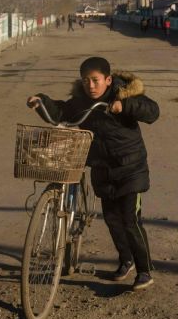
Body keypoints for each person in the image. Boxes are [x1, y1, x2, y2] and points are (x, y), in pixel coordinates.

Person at [26, 57, 160, 291]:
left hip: (130, 168)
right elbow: (61, 112)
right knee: (112, 220)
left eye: (96, 80)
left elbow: (152, 111)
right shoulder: (82, 102)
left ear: (108, 80)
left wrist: (125, 106)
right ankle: (126, 259)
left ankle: (144, 270)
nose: (91, 85)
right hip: (102, 169)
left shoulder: (124, 95)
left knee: (130, 220)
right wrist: (41, 101)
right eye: (86, 81)